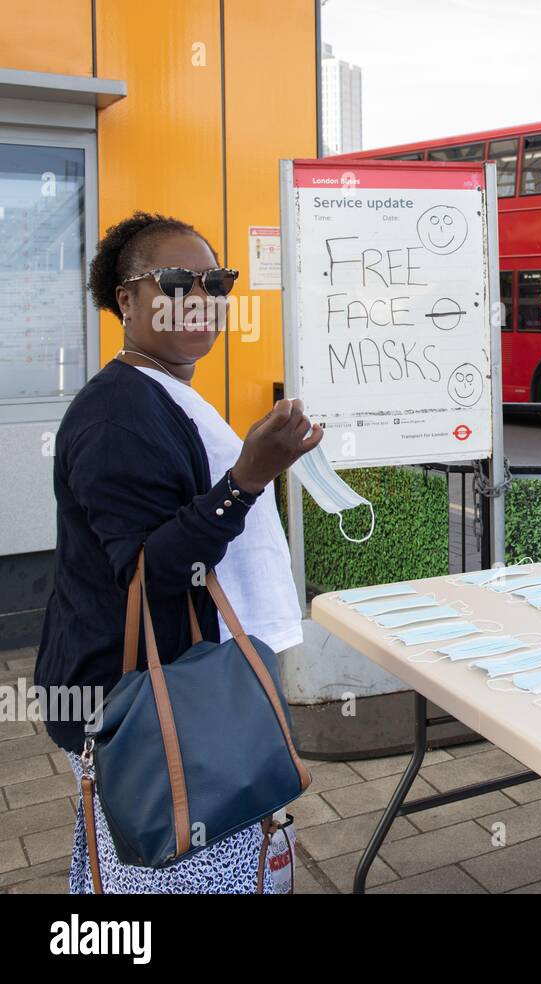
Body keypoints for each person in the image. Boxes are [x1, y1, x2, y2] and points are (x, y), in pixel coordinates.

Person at [34, 211, 323, 893]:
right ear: (126, 302)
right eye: (174, 282)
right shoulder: (116, 415)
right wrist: (249, 478)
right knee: (168, 861)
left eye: (215, 282)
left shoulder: (161, 392)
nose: (200, 298)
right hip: (131, 696)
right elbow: (145, 571)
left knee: (165, 850)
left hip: (172, 681)